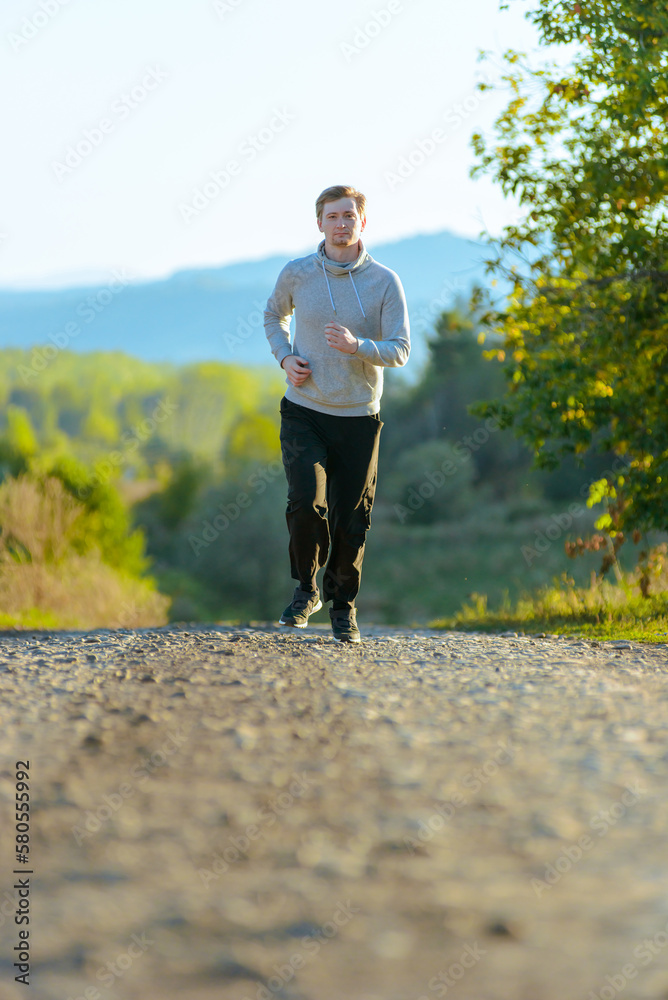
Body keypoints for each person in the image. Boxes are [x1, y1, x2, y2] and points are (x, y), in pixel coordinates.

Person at [263, 184, 410, 642]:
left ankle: (343, 606)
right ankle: (306, 590)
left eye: (349, 215)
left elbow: (400, 349)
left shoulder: (385, 281)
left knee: (353, 516)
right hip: (304, 410)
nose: (341, 223)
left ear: (362, 222)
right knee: (306, 502)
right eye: (333, 216)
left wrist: (357, 347)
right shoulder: (299, 273)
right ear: (320, 223)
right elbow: (272, 316)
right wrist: (285, 358)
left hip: (359, 417)